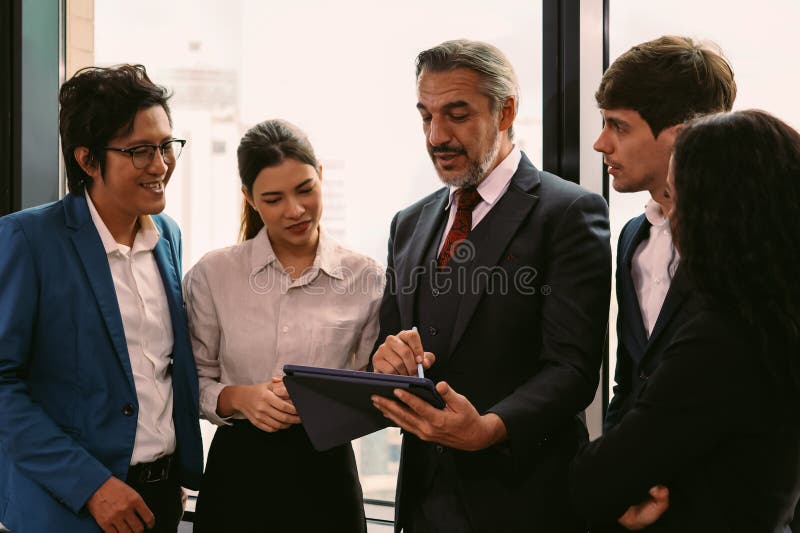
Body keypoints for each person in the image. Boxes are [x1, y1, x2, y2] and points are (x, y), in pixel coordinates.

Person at [369, 39, 612, 532]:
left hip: (526, 504)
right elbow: (389, 343)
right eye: (426, 116)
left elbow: (572, 369)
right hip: (421, 505)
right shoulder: (408, 224)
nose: (437, 135)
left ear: (506, 112)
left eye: (456, 114)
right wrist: (386, 360)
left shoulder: (568, 213)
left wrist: (488, 430)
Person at [570, 109, 800, 531]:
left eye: (675, 200)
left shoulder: (724, 337)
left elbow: (595, 480)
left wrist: (622, 495)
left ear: (719, 216)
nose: (670, 221)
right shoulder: (780, 316)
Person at [0, 64, 203, 532]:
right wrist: (91, 485)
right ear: (88, 160)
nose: (160, 165)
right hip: (68, 507)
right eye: (139, 151)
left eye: (166, 145)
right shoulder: (29, 240)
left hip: (158, 501)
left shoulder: (166, 237)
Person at [183, 119, 384, 532]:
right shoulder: (214, 274)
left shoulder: (366, 277)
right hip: (237, 475)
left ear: (321, 176)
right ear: (249, 199)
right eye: (273, 199)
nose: (295, 210)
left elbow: (371, 387)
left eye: (306, 190)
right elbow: (191, 384)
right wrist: (240, 398)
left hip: (328, 475)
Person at [594, 36, 736, 433]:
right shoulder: (631, 238)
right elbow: (629, 381)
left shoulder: (749, 241)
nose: (600, 143)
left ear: (679, 135)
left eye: (618, 126)